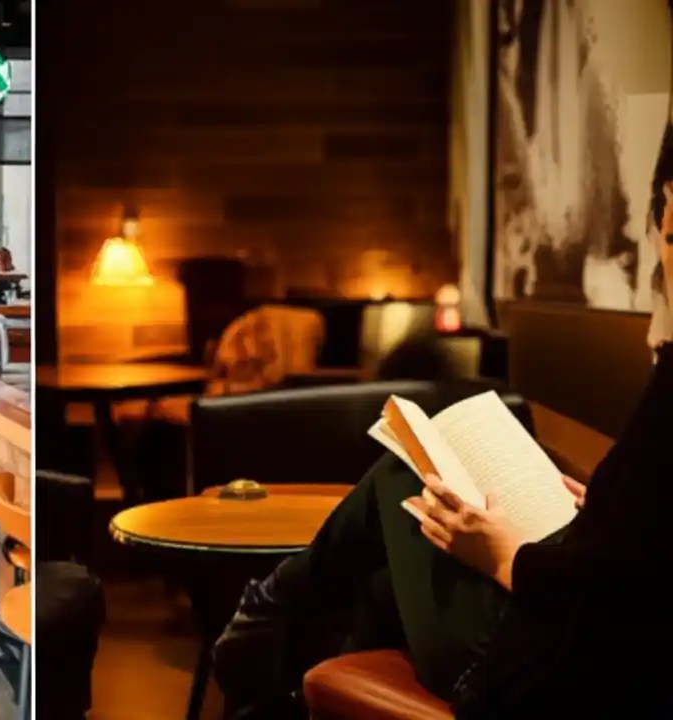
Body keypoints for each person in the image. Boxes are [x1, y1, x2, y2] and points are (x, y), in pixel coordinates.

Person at [211, 185, 673, 718]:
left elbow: (616, 613)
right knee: (380, 581)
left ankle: (269, 605)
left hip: (545, 677)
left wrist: (504, 556)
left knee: (401, 476)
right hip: (578, 629)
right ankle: (282, 664)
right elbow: (647, 567)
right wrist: (606, 515)